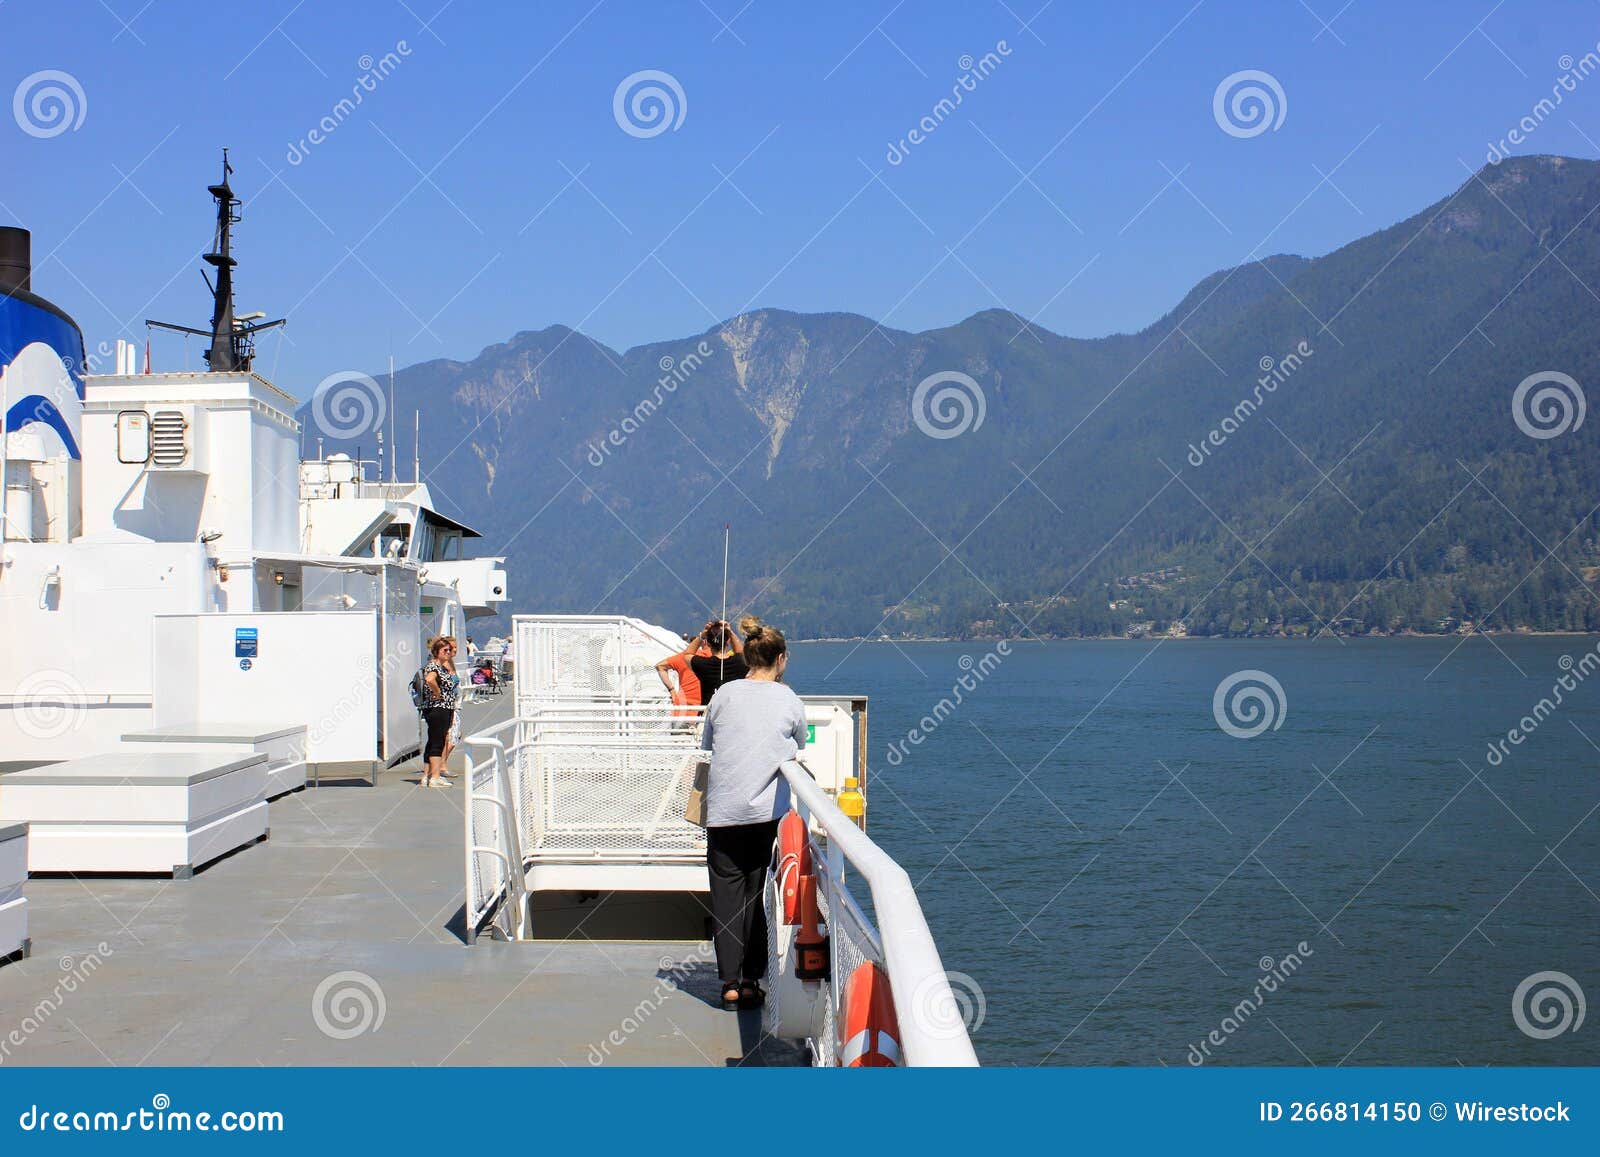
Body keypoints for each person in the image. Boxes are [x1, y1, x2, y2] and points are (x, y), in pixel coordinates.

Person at [698, 614, 807, 1011]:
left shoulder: (725, 693)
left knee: (725, 896)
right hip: (765, 816)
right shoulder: (788, 697)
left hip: (723, 812)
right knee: (756, 897)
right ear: (780, 658)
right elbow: (800, 739)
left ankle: (728, 983)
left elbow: (708, 741)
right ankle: (751, 980)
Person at [419, 636, 459, 788]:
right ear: (437, 652)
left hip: (443, 708)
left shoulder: (441, 666)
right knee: (438, 742)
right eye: (445, 650)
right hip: (439, 708)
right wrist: (438, 693)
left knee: (432, 742)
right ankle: (435, 777)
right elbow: (430, 679)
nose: (449, 652)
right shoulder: (434, 666)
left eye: (450, 650)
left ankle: (427, 775)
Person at [689, 619, 748, 704]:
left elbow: (687, 654)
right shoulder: (740, 662)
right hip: (732, 711)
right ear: (728, 642)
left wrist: (702, 635)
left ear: (708, 643)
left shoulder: (702, 664)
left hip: (709, 712)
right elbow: (741, 653)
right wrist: (730, 632)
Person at [656, 632, 711, 716]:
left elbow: (660, 666)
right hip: (708, 713)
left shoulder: (683, 657)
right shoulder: (720, 659)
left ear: (703, 641)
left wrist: (672, 690)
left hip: (682, 710)